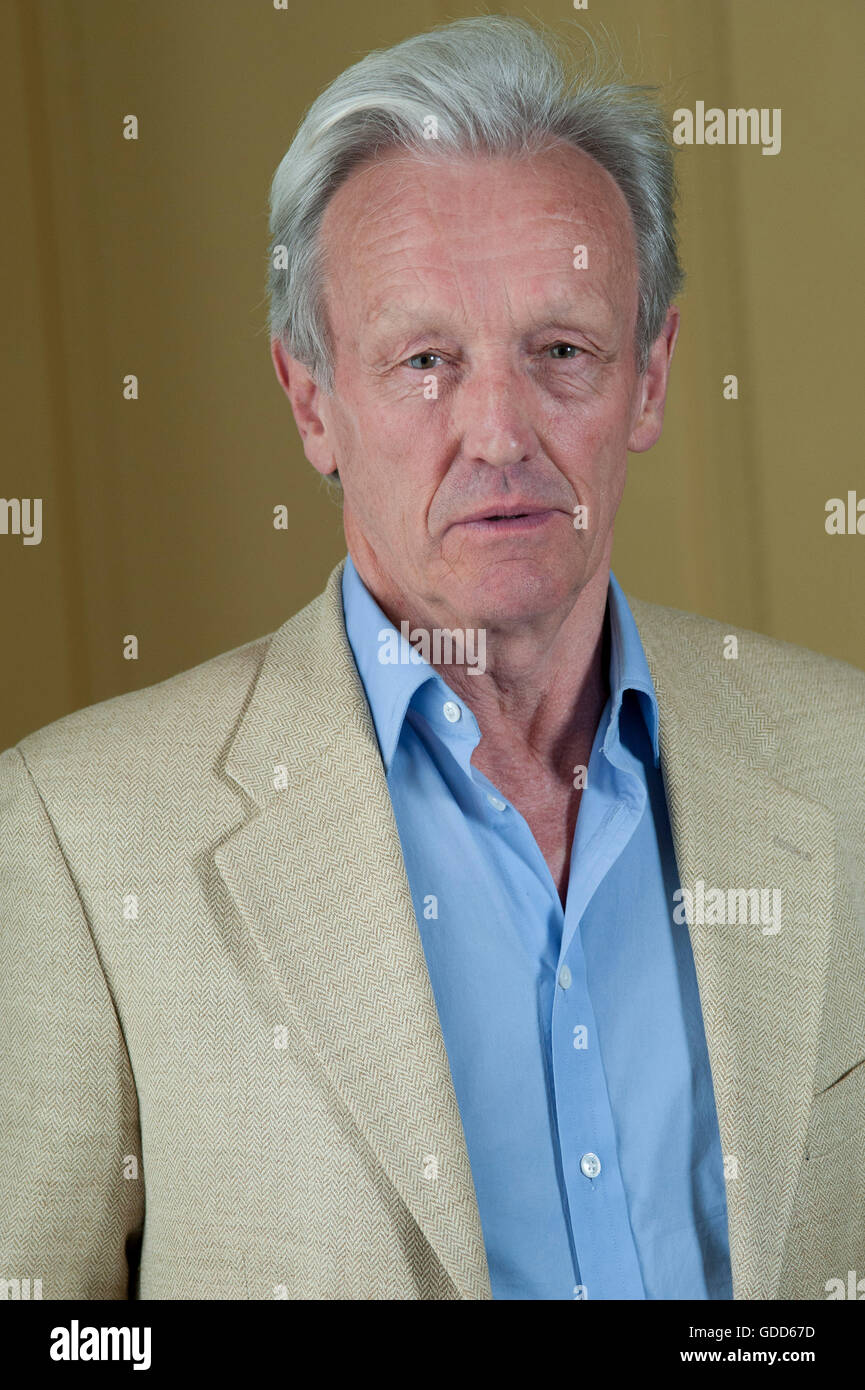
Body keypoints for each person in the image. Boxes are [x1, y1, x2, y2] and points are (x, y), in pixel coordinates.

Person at [1, 16, 863, 1302]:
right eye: (424, 362)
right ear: (312, 400)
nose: (498, 431)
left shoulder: (847, 758)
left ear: (649, 376)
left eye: (560, 350)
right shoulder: (77, 836)